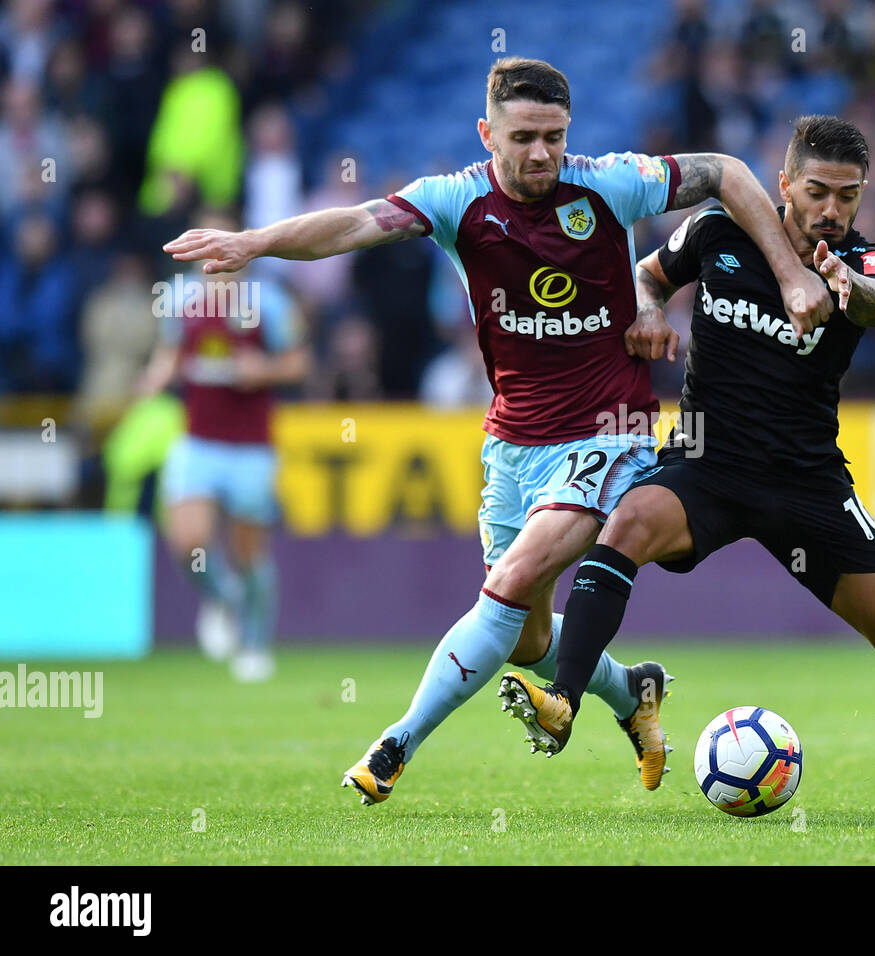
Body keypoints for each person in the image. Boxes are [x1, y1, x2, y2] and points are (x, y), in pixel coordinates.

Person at [163, 58, 832, 803]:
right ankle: (633, 691)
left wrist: (791, 274)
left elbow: (728, 172)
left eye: (553, 136)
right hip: (513, 445)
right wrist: (255, 242)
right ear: (488, 134)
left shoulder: (610, 183)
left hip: (609, 436)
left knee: (505, 585)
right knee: (527, 639)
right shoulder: (456, 201)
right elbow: (354, 225)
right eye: (522, 137)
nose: (541, 153)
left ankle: (393, 748)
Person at [501, 115, 875, 813]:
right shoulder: (715, 233)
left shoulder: (867, 262)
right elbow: (647, 276)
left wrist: (849, 285)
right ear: (784, 183)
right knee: (628, 525)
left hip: (807, 480)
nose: (831, 210)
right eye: (818, 191)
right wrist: (647, 311)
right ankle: (564, 701)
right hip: (709, 461)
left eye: (848, 196)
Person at [139, 209, 309, 682]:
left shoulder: (269, 302)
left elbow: (298, 363)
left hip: (251, 446)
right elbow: (171, 353)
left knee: (248, 550)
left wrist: (265, 370)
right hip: (198, 440)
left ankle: (255, 644)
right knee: (186, 540)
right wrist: (154, 378)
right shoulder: (178, 298)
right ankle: (222, 599)